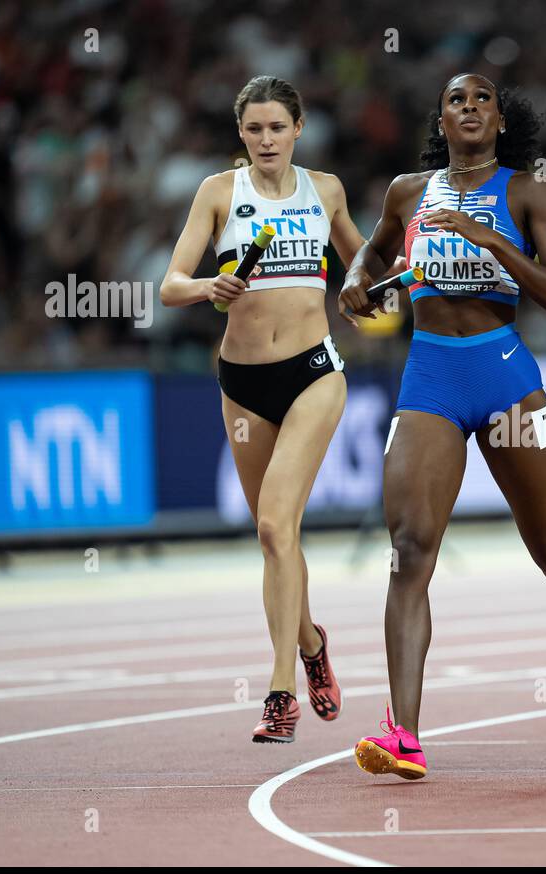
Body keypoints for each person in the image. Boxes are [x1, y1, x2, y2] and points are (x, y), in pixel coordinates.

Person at [337, 73, 546, 781]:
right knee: (409, 547)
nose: (468, 108)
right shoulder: (408, 192)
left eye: (482, 99)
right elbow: (373, 257)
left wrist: (485, 238)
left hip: (505, 378)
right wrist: (353, 279)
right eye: (454, 100)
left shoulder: (530, 193)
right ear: (440, 121)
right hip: (431, 375)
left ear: (501, 119)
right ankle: (404, 734)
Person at [161, 76, 365, 743]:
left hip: (314, 372)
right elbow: (169, 286)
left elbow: (360, 266)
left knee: (280, 524)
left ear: (299, 128)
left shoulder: (325, 189)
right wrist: (206, 286)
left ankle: (281, 692)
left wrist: (374, 292)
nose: (266, 139)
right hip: (243, 382)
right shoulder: (219, 193)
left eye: (277, 127)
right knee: (274, 538)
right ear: (240, 133)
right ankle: (310, 643)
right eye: (254, 129)